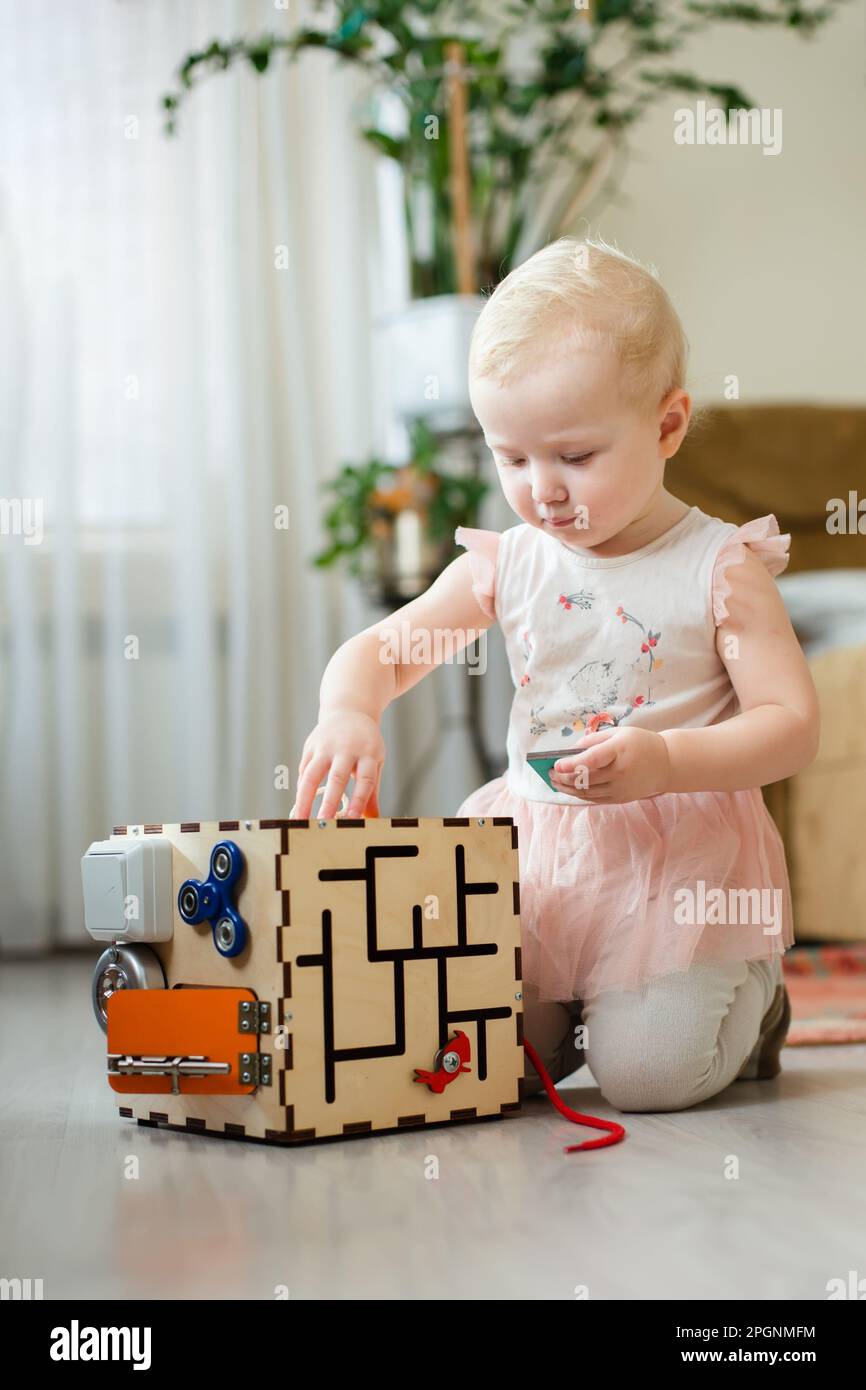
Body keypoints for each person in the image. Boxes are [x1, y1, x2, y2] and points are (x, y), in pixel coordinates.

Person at [290, 235, 819, 1113]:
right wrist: (349, 708)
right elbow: (384, 650)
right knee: (479, 1057)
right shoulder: (511, 564)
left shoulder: (721, 568)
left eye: (575, 456)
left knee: (647, 1079)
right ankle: (585, 1002)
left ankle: (751, 996)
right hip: (549, 860)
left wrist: (669, 761)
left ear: (668, 426)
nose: (542, 490)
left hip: (683, 869)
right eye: (513, 458)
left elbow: (792, 723)